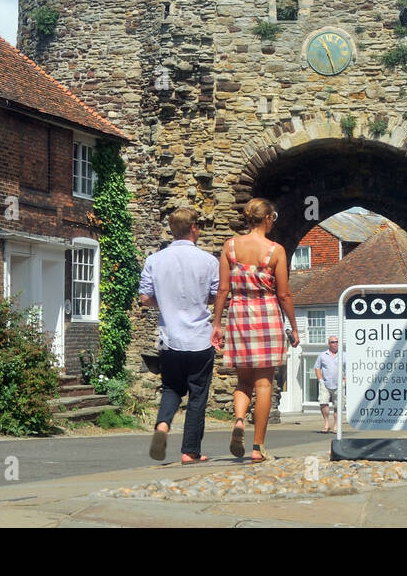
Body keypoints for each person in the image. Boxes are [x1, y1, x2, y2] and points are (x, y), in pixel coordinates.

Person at [212, 198, 299, 462]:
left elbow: (223, 289)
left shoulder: (230, 246)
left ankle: (239, 420)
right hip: (267, 314)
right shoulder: (275, 251)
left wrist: (217, 323)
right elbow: (283, 294)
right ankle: (257, 447)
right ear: (268, 218)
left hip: (239, 314)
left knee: (243, 381)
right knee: (264, 384)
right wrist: (294, 327)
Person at [138, 208, 219, 464]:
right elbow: (217, 296)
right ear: (194, 228)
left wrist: (166, 302)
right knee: (197, 395)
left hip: (169, 337)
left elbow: (144, 298)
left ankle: (162, 425)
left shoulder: (155, 260)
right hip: (199, 338)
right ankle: (190, 451)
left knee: (172, 387)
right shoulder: (209, 261)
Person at [314, 335, 343, 433]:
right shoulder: (322, 355)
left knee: (338, 406)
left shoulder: (344, 355)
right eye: (332, 342)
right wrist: (320, 380)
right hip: (325, 383)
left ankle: (336, 426)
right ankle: (327, 424)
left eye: (336, 342)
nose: (335, 344)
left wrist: (345, 381)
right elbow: (317, 367)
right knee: (323, 403)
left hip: (339, 384)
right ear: (329, 344)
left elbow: (349, 368)